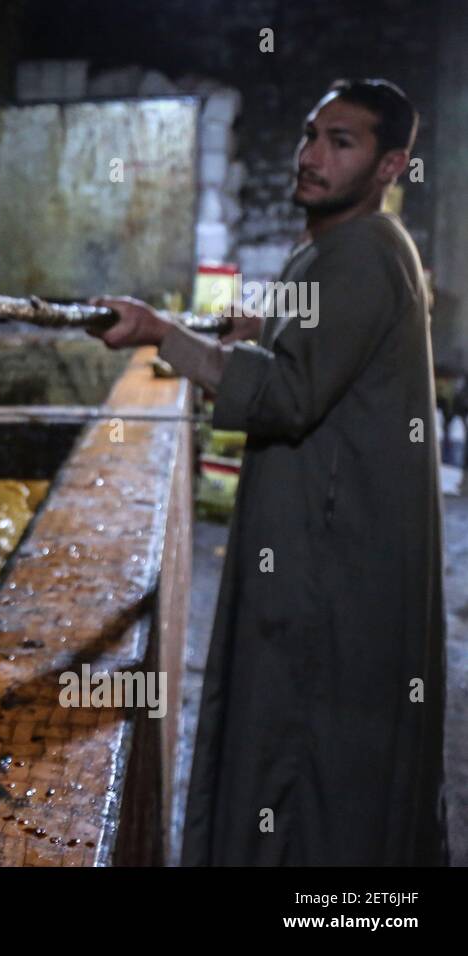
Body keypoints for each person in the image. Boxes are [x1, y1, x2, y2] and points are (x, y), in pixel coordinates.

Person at [91, 78, 448, 865]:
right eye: (309, 135)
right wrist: (266, 325)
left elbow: (288, 393)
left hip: (332, 567)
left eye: (341, 142)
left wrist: (163, 334)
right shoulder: (338, 247)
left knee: (304, 756)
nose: (311, 156)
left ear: (392, 164)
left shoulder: (360, 255)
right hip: (327, 548)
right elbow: (315, 350)